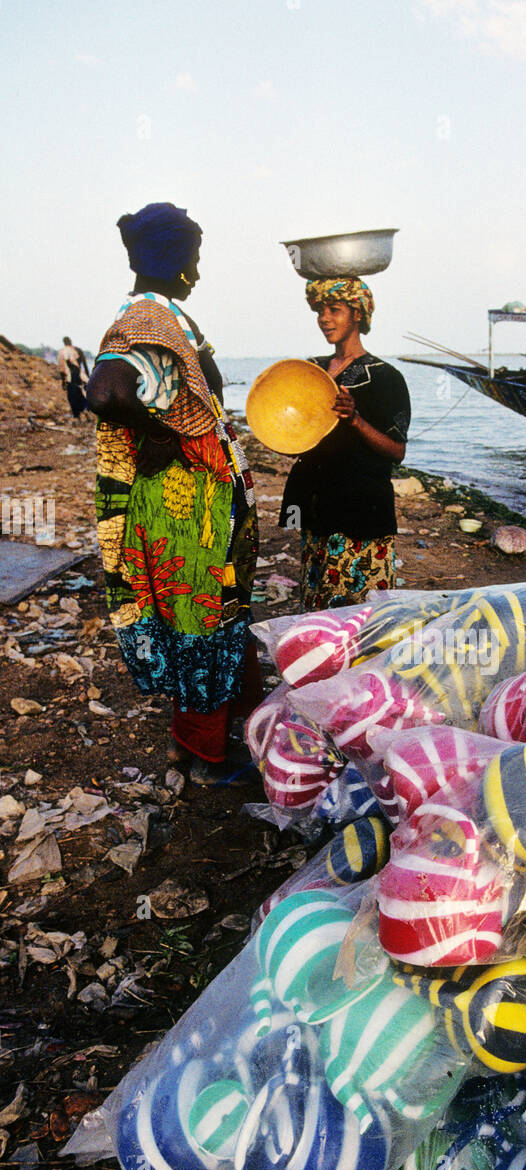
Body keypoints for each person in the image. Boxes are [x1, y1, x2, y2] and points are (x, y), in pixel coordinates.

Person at [86, 202, 260, 785]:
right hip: (182, 511)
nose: (199, 272)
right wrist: (167, 429)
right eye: (195, 259)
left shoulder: (164, 318)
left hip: (195, 509)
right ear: (177, 261)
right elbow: (106, 391)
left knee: (204, 617)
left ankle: (192, 746)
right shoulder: (146, 318)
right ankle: (208, 759)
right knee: (199, 620)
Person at [278, 276, 410, 611]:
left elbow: (396, 451)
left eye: (334, 310)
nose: (324, 318)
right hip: (316, 510)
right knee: (318, 609)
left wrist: (356, 421)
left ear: (357, 314)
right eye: (319, 310)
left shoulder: (384, 377)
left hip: (361, 516)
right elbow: (302, 438)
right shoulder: (312, 370)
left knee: (359, 615)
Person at [58, 336, 90, 420]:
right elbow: (85, 364)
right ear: (70, 341)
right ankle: (85, 410)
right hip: (80, 375)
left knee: (72, 396)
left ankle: (77, 415)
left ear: (64, 342)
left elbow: (62, 368)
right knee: (82, 393)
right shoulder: (78, 350)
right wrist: (88, 376)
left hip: (70, 376)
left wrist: (63, 381)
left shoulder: (62, 352)